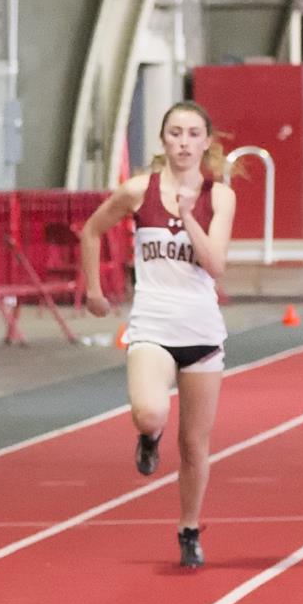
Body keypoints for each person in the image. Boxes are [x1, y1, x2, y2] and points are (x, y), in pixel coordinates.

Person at [81, 102, 237, 569]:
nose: (184, 142)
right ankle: (149, 436)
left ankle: (189, 528)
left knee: (193, 445)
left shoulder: (219, 196)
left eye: (193, 134)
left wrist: (189, 217)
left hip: (201, 331)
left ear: (206, 142)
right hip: (152, 325)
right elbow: (91, 231)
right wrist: (94, 291)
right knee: (150, 412)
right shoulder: (138, 190)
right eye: (175, 133)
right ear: (163, 140)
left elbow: (216, 264)